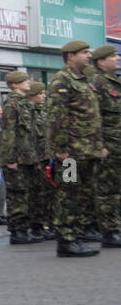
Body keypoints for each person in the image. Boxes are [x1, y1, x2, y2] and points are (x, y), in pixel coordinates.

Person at [48, 40, 106, 256]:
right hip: (71, 153)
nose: (89, 55)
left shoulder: (85, 81)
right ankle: (66, 240)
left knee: (83, 195)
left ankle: (77, 236)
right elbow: (57, 116)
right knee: (69, 193)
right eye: (84, 53)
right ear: (70, 56)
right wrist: (61, 148)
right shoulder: (62, 80)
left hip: (87, 151)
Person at [0, 71, 38, 244]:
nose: (28, 82)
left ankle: (24, 229)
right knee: (17, 195)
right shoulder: (11, 104)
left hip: (28, 156)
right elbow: (8, 133)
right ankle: (18, 232)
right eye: (24, 80)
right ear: (14, 85)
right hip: (17, 158)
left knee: (27, 194)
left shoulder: (25, 104)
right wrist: (10, 159)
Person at [90, 44, 121, 247]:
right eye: (113, 56)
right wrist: (98, 144)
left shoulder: (115, 82)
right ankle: (109, 232)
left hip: (118, 144)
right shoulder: (98, 83)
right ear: (102, 62)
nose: (118, 58)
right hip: (108, 145)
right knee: (107, 190)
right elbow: (93, 117)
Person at [27, 81, 54, 238]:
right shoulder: (30, 112)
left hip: (50, 157)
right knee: (38, 194)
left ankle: (49, 225)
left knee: (50, 192)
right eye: (41, 93)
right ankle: (37, 226)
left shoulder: (44, 112)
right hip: (39, 158)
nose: (44, 96)